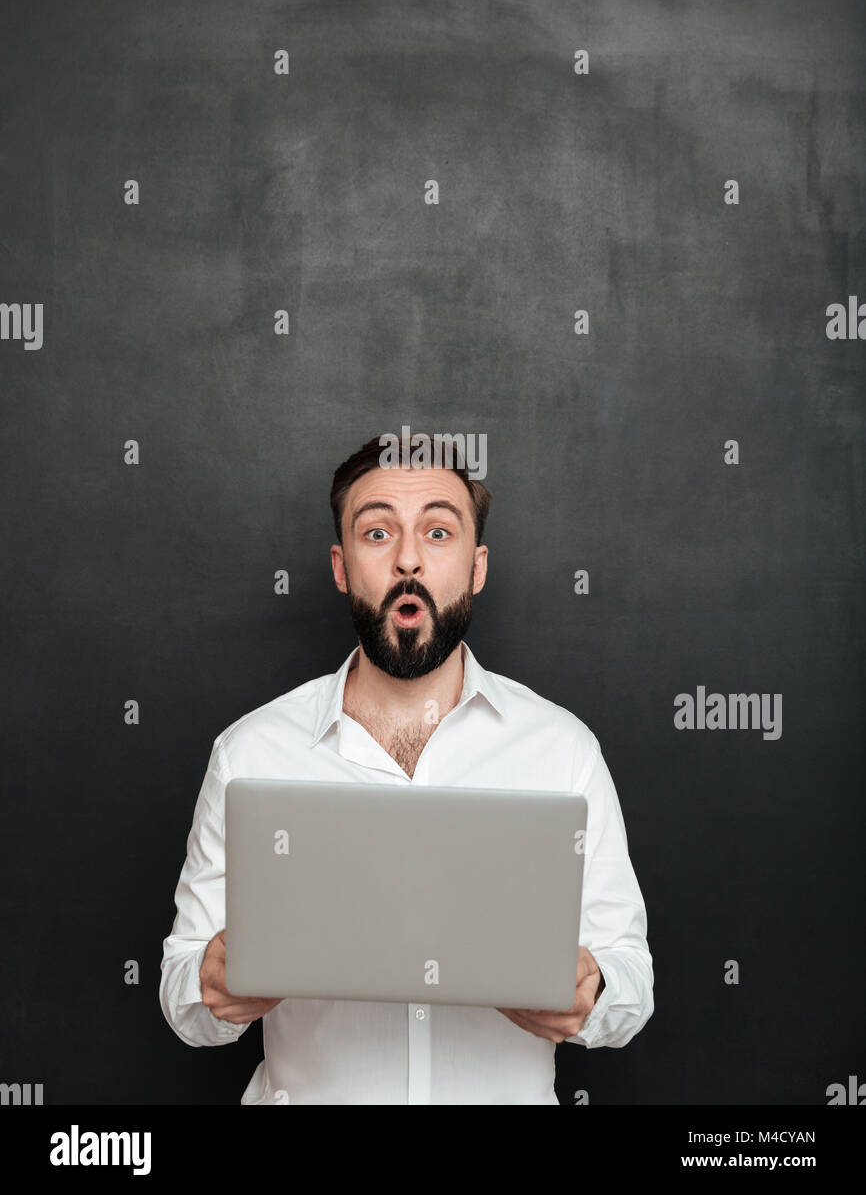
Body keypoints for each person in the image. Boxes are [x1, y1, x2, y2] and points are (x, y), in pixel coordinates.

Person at [159, 432, 653, 1104]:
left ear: (477, 567)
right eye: (377, 533)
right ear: (341, 566)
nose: (409, 559)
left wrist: (590, 992)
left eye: (439, 532)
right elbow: (183, 994)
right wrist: (211, 982)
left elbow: (633, 980)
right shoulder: (250, 752)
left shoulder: (562, 750)